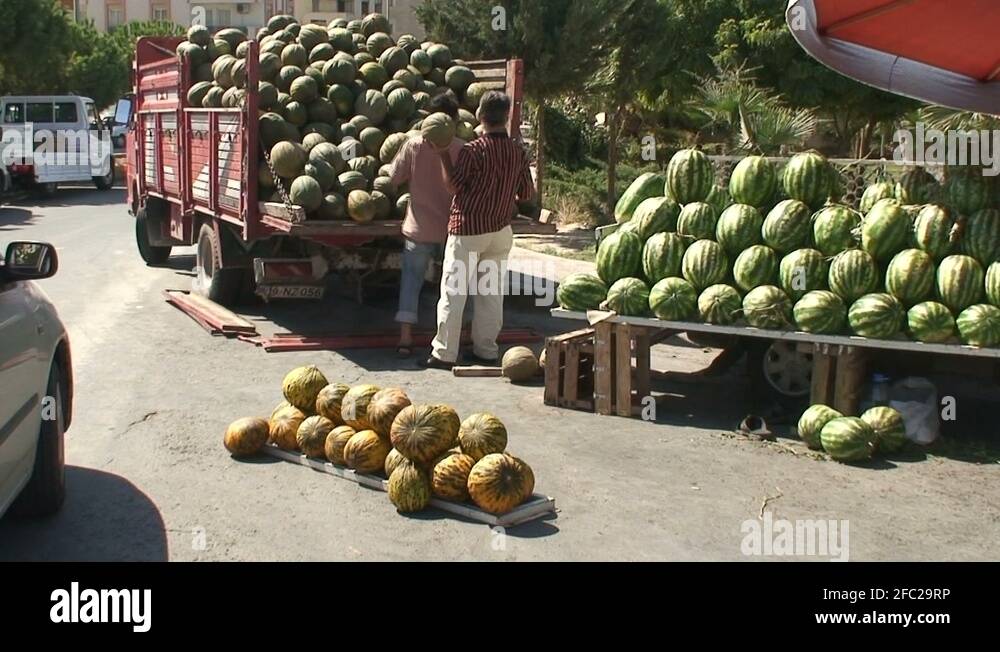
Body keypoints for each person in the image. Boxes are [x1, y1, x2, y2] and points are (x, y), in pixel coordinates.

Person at [419, 91, 535, 370]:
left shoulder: (474, 150)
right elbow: (526, 194)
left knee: (453, 293)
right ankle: (486, 351)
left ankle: (444, 354)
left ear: (481, 116)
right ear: (506, 118)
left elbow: (454, 187)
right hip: (499, 232)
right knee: (490, 294)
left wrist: (443, 154)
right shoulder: (518, 151)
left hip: (468, 231)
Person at [387, 91, 465, 357]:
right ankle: (452, 339)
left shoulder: (414, 144)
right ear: (453, 120)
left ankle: (405, 339)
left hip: (418, 229)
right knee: (455, 285)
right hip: (453, 230)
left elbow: (394, 177)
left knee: (411, 281)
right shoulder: (462, 147)